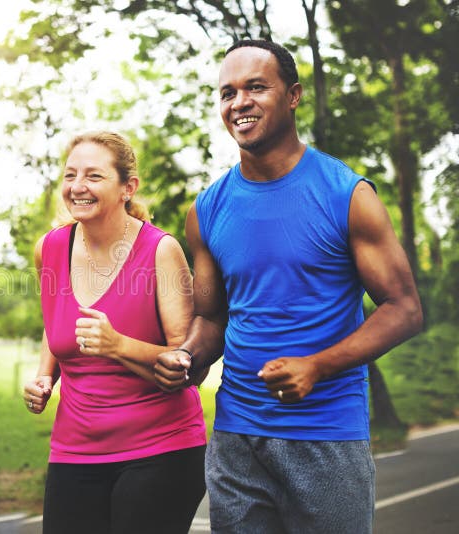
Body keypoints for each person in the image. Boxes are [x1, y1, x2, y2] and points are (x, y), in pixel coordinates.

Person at [154, 39, 423, 533]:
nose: (239, 103)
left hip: (327, 438)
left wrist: (317, 366)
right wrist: (187, 358)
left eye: (256, 87)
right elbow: (212, 318)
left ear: (294, 95)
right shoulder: (207, 209)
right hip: (237, 438)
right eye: (227, 92)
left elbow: (404, 308)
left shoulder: (347, 195)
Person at [23, 131, 208, 534]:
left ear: (128, 188)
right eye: (70, 175)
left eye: (93, 176)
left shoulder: (161, 250)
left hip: (162, 448)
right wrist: (43, 377)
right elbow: (55, 323)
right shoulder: (50, 249)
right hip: (75, 450)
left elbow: (185, 362)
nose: (77, 187)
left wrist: (117, 345)